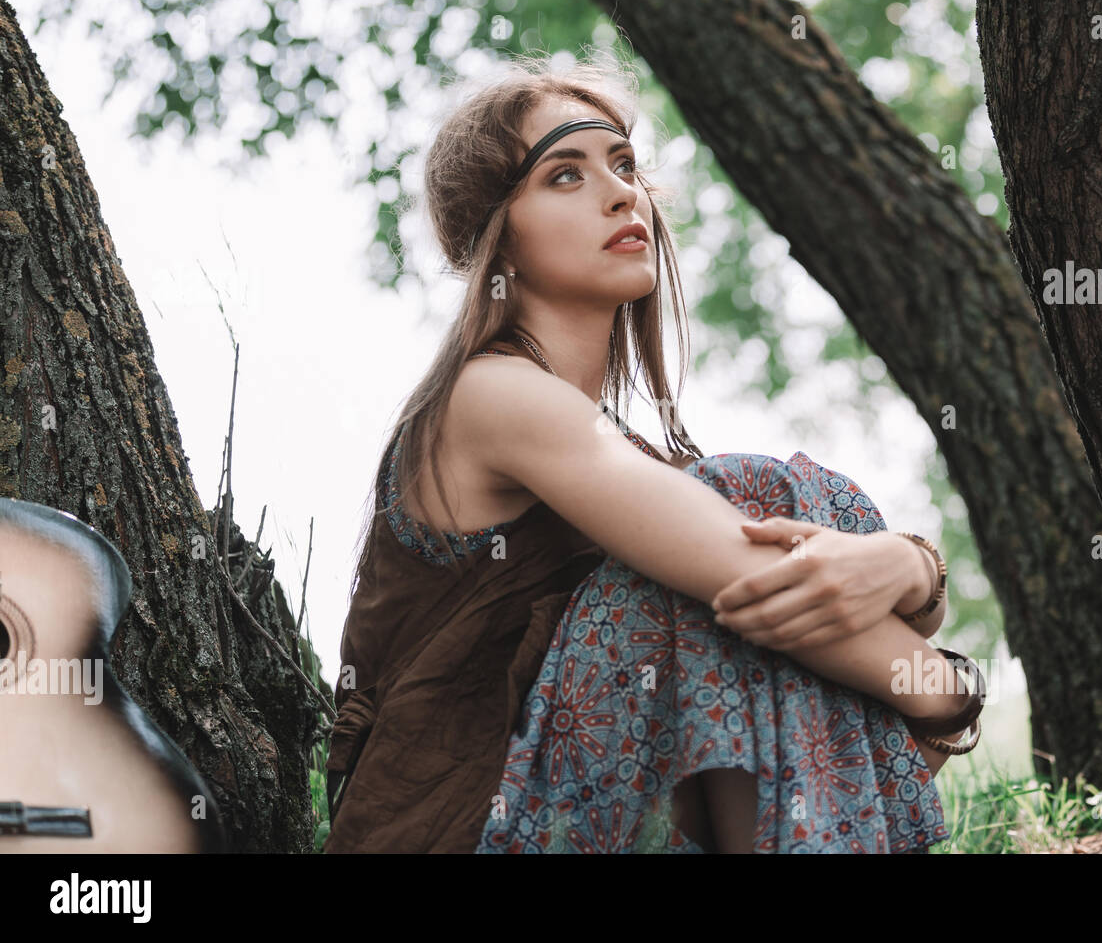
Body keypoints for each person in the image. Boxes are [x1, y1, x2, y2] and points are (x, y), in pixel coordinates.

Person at [324, 55, 984, 854]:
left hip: (585, 820)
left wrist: (909, 569)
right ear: (498, 236)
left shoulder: (617, 448)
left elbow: (783, 597)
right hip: (463, 834)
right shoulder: (490, 396)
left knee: (763, 515)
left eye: (625, 164)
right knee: (740, 506)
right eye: (564, 174)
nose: (620, 192)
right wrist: (946, 686)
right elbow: (749, 573)